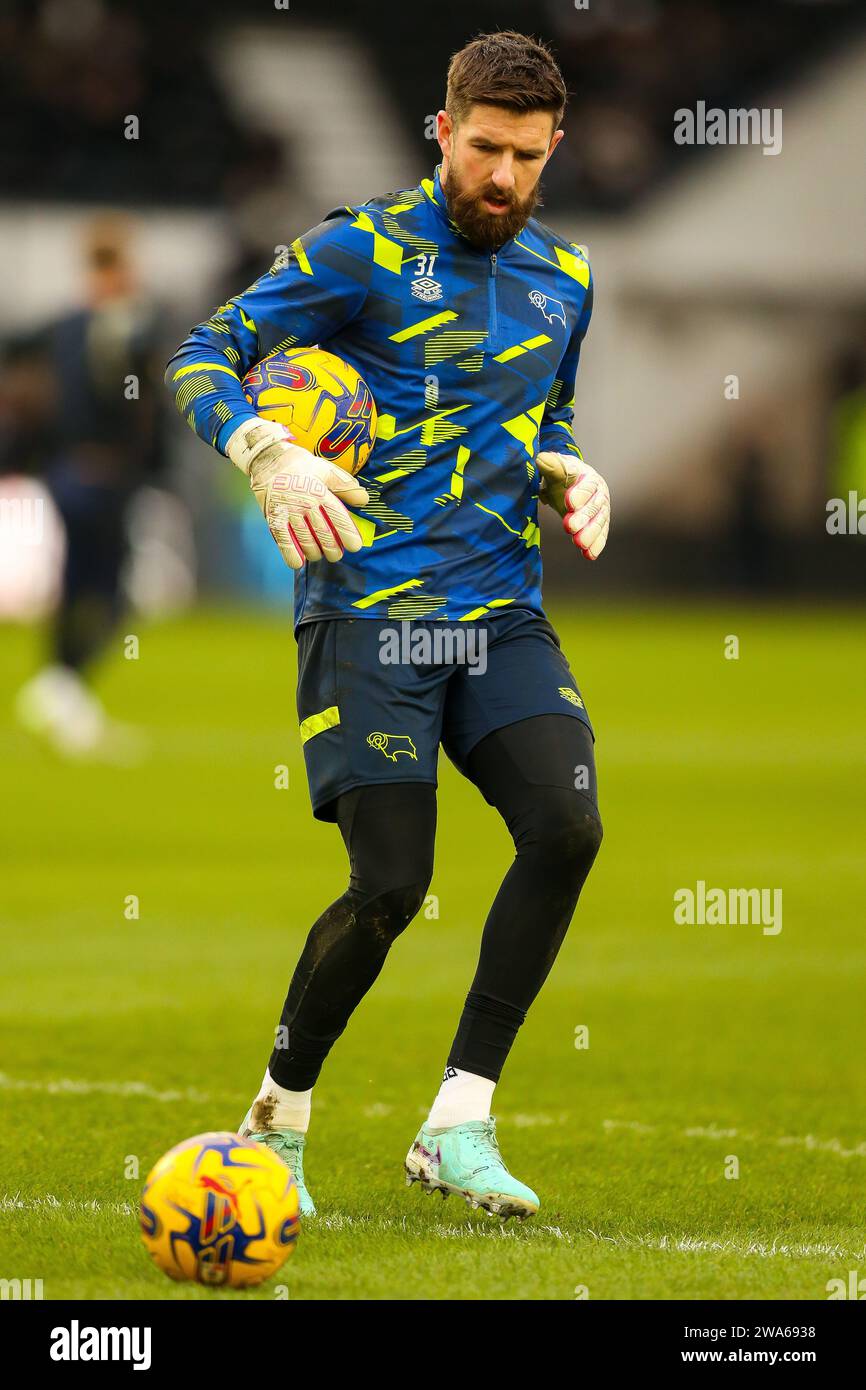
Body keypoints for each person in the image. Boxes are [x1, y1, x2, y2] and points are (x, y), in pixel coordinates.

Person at [166, 30, 610, 1220]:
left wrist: (568, 469)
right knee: (390, 884)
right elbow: (205, 351)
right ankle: (278, 1119)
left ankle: (457, 1120)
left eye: (523, 156)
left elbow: (541, 408)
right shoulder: (359, 250)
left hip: (499, 613)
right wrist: (263, 451)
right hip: (369, 612)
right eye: (481, 150)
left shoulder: (564, 275)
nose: (501, 179)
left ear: (551, 145)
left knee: (565, 825)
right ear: (441, 131)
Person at [14, 216, 164, 758]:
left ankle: (60, 685)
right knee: (112, 591)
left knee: (79, 582)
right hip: (96, 473)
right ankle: (63, 684)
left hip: (72, 471)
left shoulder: (70, 323)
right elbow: (116, 403)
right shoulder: (116, 326)